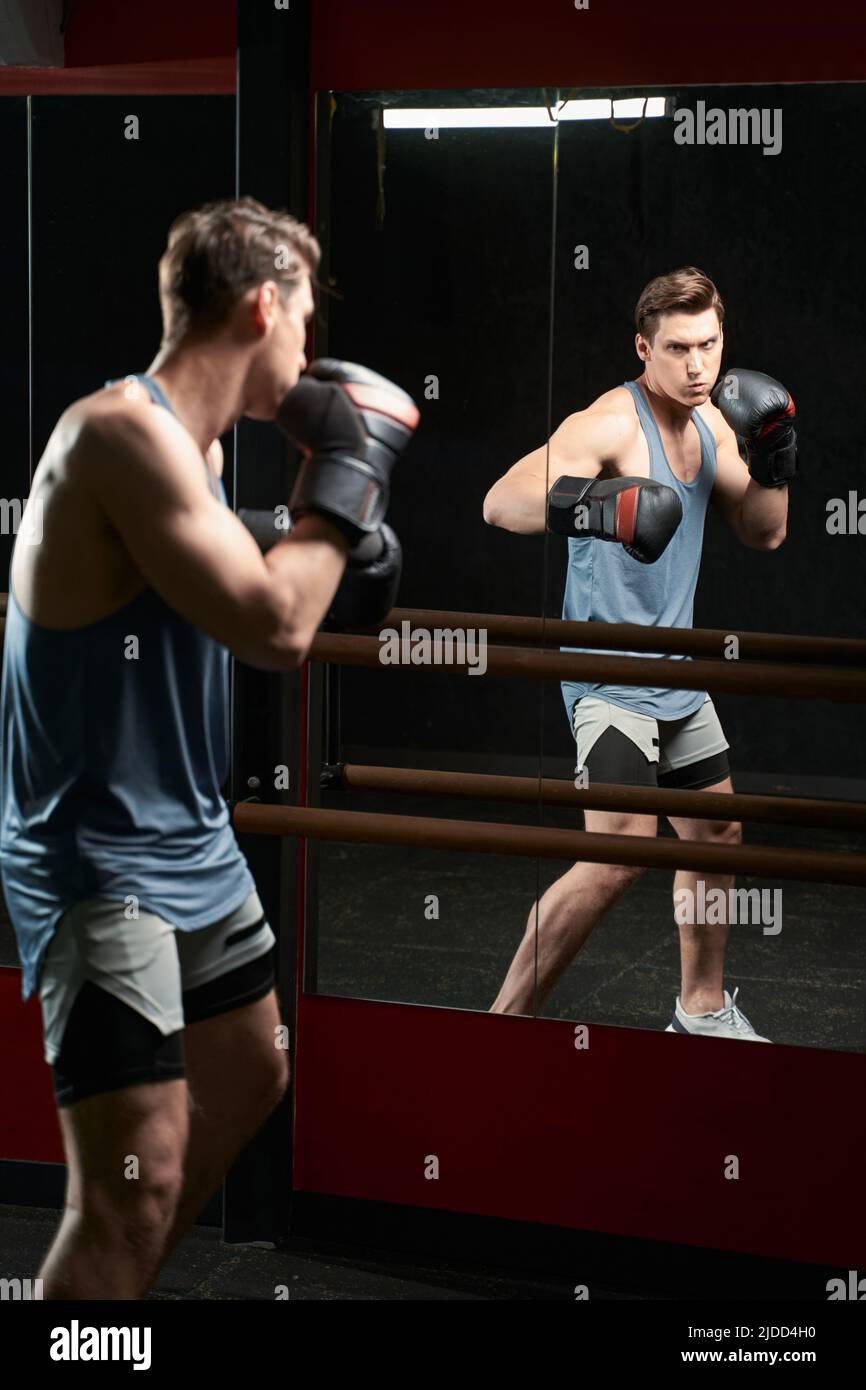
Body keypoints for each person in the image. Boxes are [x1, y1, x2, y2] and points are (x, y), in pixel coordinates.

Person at [0, 196, 417, 1299]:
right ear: (262, 306)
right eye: (305, 325)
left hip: (190, 839)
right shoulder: (117, 435)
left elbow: (255, 592)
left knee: (248, 1075)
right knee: (130, 1187)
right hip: (99, 861)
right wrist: (350, 466)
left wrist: (310, 520)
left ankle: (114, 1286)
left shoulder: (204, 454)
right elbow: (280, 629)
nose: (311, 354)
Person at [483, 266, 795, 1041]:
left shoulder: (716, 425)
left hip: (677, 680)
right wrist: (595, 503)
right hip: (608, 676)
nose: (698, 366)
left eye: (710, 345)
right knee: (617, 854)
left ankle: (700, 1008)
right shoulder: (611, 425)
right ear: (643, 348)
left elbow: (766, 532)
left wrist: (776, 460)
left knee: (717, 834)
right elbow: (502, 500)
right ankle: (498, 1029)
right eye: (679, 348)